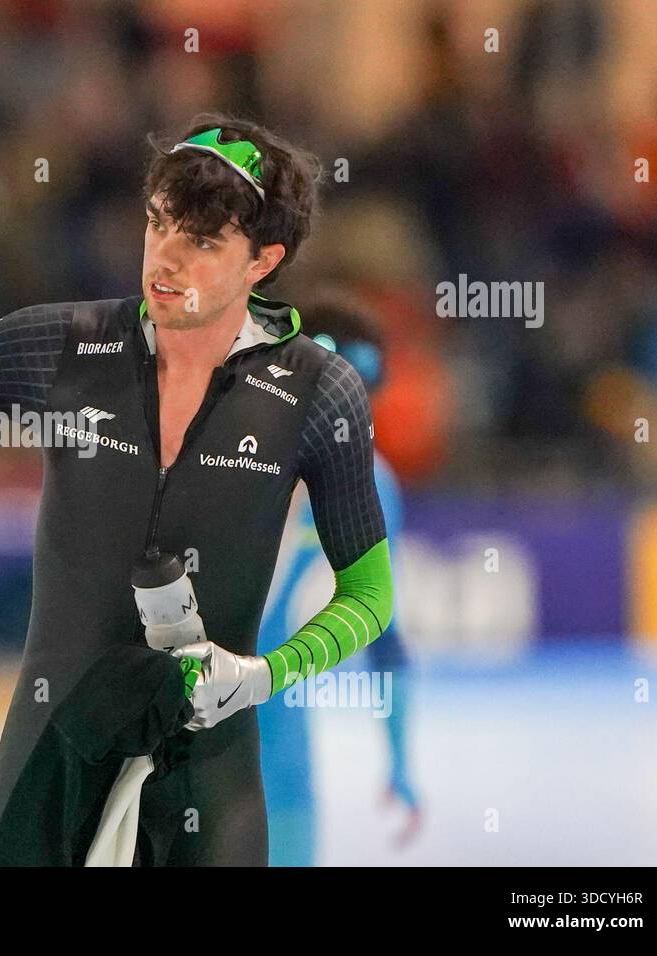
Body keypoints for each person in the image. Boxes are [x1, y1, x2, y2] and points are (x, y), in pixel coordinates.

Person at [0, 112, 394, 866]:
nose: (165, 259)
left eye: (202, 241)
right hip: (53, 742)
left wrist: (263, 675)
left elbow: (369, 595)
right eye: (158, 224)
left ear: (264, 261)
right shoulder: (57, 345)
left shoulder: (321, 394)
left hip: (208, 755)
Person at [256, 291, 422, 866]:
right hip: (245, 737)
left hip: (271, 745)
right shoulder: (223, 459)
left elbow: (387, 637)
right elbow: (388, 642)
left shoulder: (373, 484)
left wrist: (400, 760)